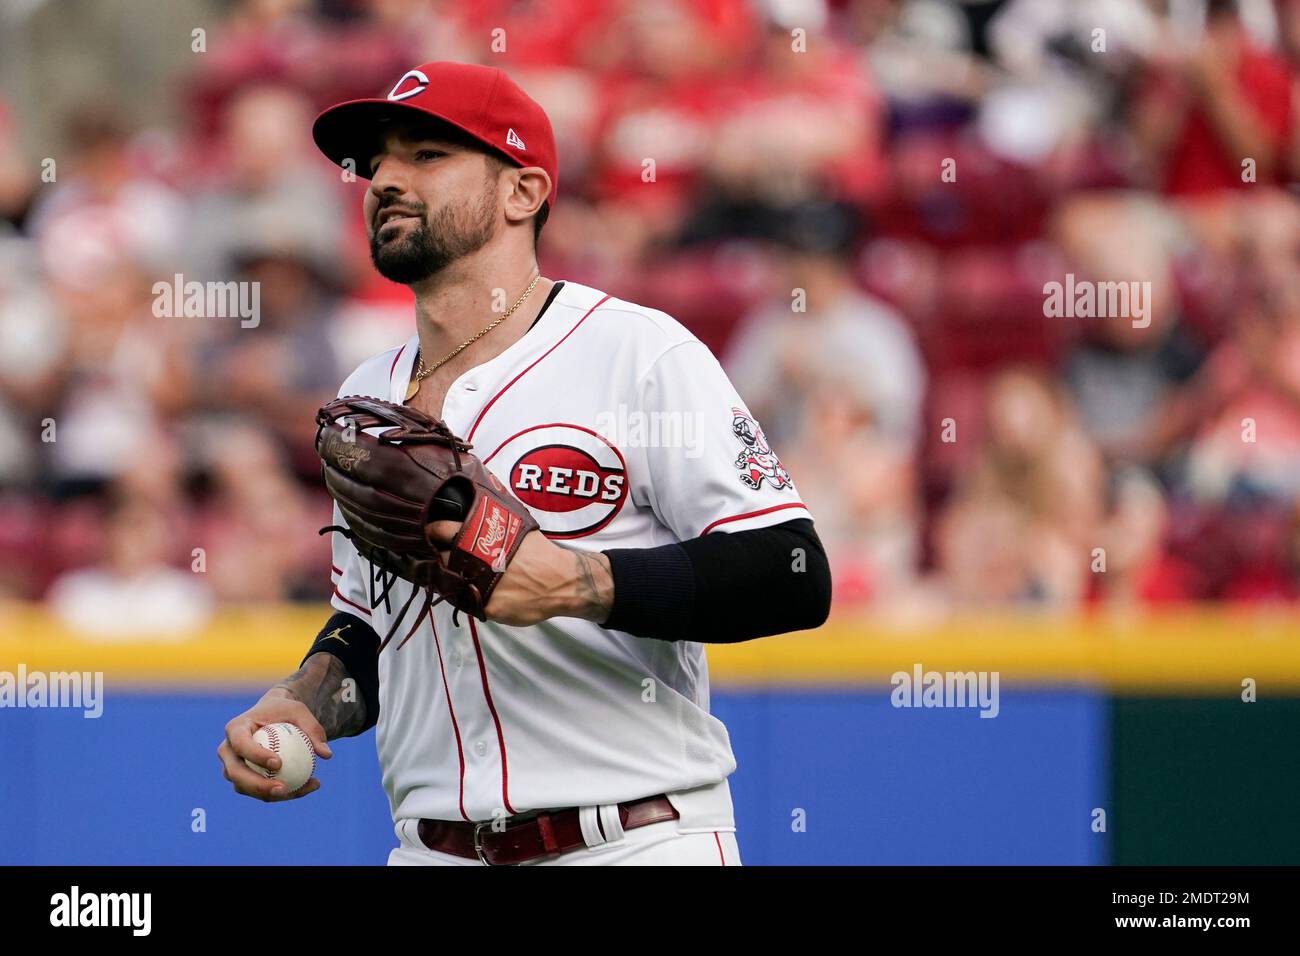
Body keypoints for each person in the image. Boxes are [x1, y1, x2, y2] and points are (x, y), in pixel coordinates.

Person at [216, 61, 832, 866]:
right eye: (378, 163)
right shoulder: (368, 391)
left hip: (633, 837)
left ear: (524, 192)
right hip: (433, 848)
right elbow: (373, 623)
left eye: (427, 155)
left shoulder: (636, 353)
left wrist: (579, 581)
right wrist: (306, 699)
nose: (386, 180)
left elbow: (793, 572)